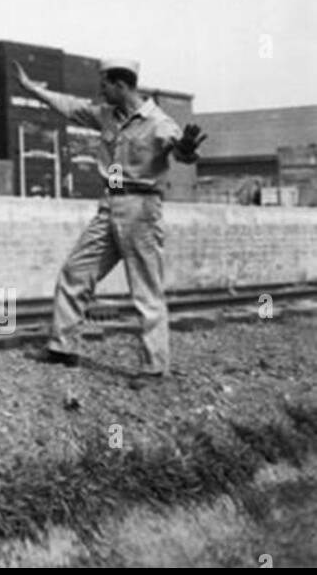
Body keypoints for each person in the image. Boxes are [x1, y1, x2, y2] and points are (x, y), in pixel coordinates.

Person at [14, 57, 206, 382]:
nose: (99, 91)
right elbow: (69, 106)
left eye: (104, 85)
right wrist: (31, 88)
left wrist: (187, 150)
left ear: (121, 85)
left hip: (141, 209)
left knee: (146, 290)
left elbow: (180, 151)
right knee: (75, 272)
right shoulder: (106, 115)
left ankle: (154, 366)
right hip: (109, 205)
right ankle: (63, 347)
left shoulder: (159, 122)